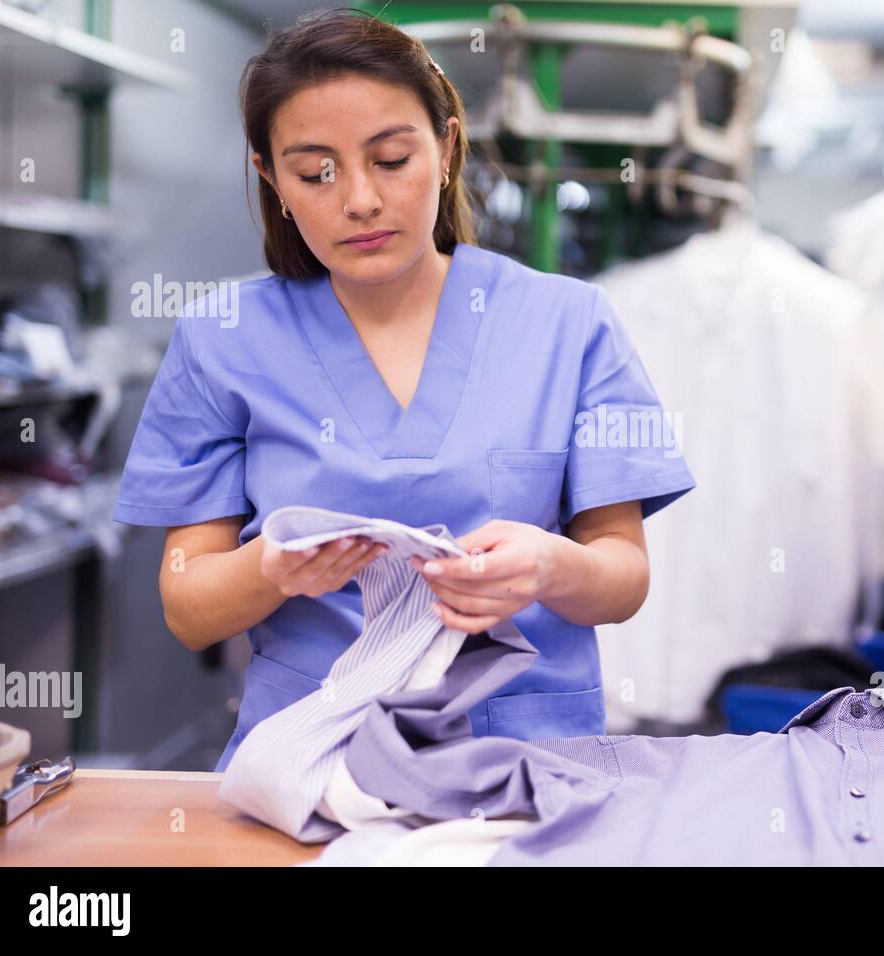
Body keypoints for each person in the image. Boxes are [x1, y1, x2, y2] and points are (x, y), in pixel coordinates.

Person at [112, 9, 694, 770]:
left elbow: (623, 575)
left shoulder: (569, 323)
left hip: (526, 760)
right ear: (271, 178)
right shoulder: (221, 337)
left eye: (391, 159)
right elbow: (189, 608)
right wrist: (272, 569)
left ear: (448, 147)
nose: (358, 199)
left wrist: (549, 567)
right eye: (316, 172)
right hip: (311, 760)